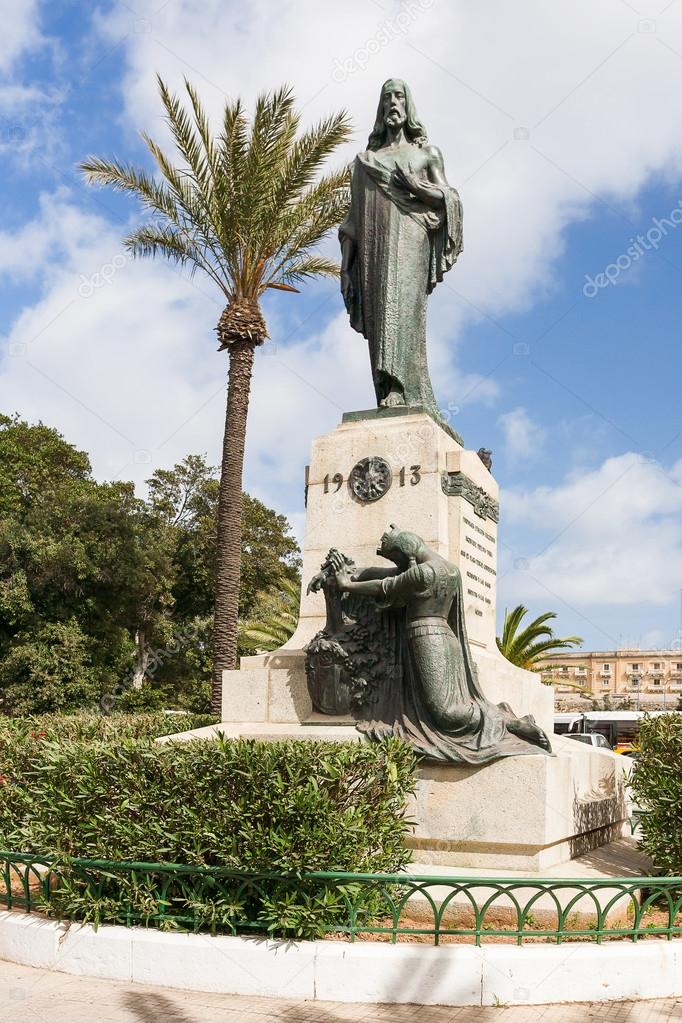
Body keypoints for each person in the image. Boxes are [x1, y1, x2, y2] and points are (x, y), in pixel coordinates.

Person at [329, 525, 552, 764]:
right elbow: (387, 574)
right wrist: (356, 572)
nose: (398, 566)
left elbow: (386, 586)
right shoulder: (451, 570)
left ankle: (507, 721)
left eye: (399, 560)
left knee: (444, 712)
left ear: (408, 557)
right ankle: (504, 719)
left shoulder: (422, 573)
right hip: (447, 637)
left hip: (427, 638)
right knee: (454, 704)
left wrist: (346, 584)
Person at [339, 78, 463, 417]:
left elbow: (449, 198)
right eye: (387, 97)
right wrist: (345, 268)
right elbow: (351, 221)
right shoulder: (365, 162)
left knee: (402, 308)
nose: (393, 102)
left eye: (399, 96)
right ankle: (386, 389)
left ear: (408, 106)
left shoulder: (426, 154)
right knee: (380, 313)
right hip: (374, 245)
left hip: (412, 237)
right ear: (380, 108)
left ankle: (403, 388)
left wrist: (416, 188)